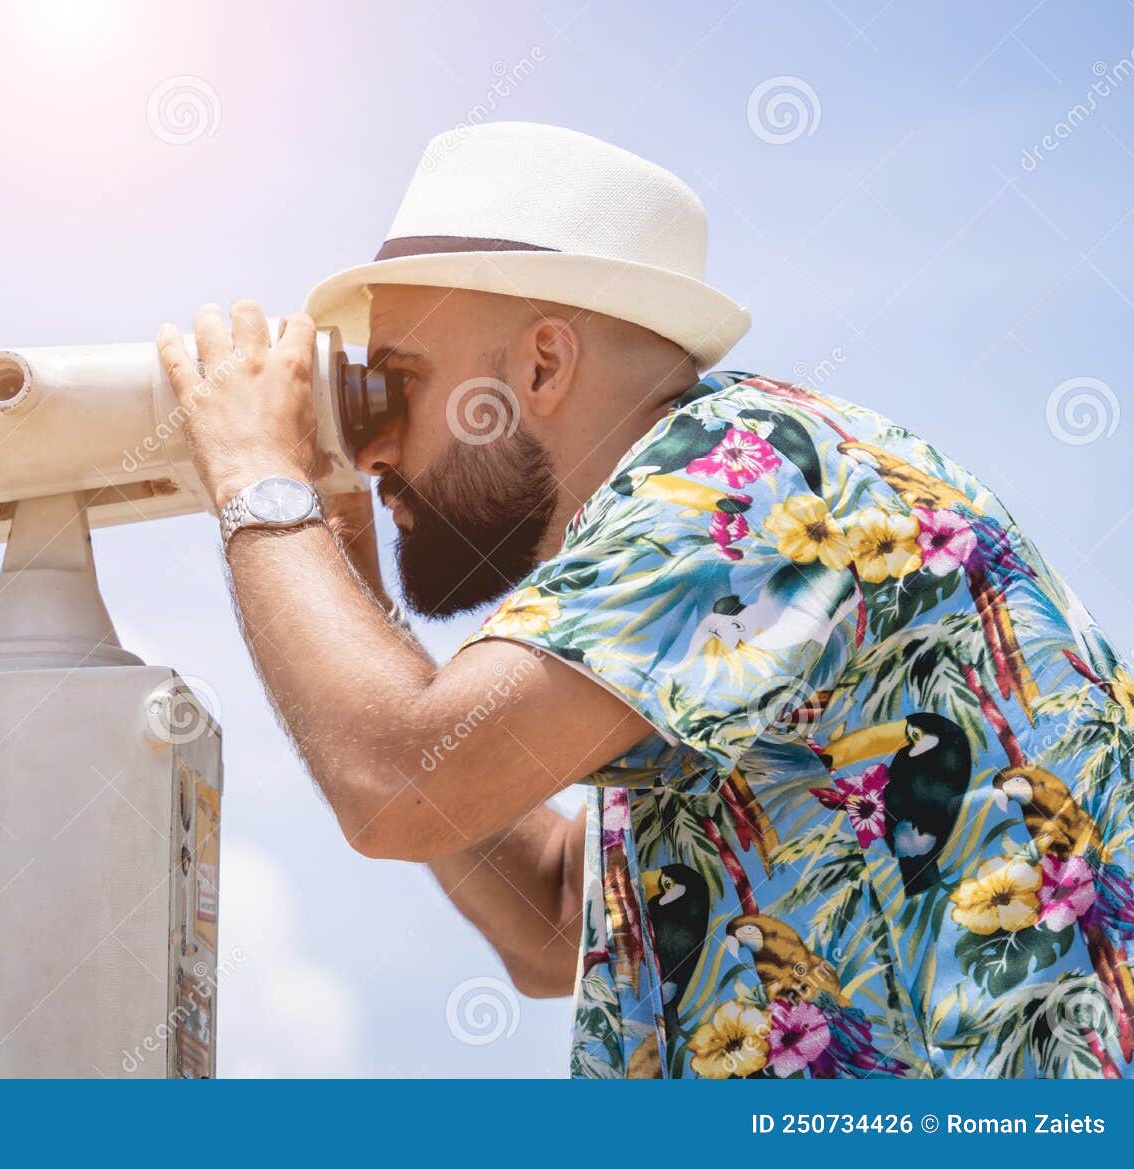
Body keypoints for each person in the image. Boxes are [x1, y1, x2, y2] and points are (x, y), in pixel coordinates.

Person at [153, 121, 1134, 1079]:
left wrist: (254, 473)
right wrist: (345, 569)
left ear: (540, 364)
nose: (371, 449)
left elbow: (400, 783)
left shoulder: (739, 471)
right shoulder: (698, 571)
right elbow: (546, 914)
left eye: (398, 384)